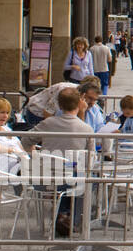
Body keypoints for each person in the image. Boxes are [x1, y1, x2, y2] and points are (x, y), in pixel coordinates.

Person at [21, 87, 94, 237]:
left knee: (71, 173)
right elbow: (90, 158)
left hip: (44, 179)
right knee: (87, 178)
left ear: (59, 105)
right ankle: (71, 219)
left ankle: (62, 214)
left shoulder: (48, 123)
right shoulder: (86, 128)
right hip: (71, 181)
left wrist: (36, 158)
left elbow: (25, 140)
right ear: (79, 103)